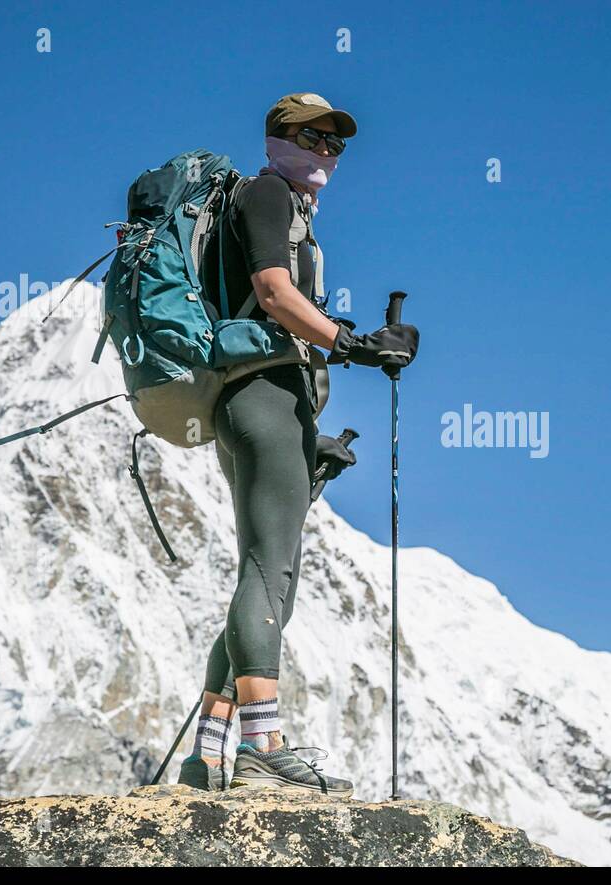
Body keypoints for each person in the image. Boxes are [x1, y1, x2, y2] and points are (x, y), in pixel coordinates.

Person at [175, 93, 419, 796]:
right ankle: (263, 747)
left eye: (336, 144)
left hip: (259, 400)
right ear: (278, 137)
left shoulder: (268, 202)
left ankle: (212, 756)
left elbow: (272, 308)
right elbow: (274, 294)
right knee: (270, 569)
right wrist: (351, 344)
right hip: (264, 395)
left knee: (264, 567)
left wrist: (314, 441)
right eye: (311, 137)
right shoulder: (267, 195)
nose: (326, 153)